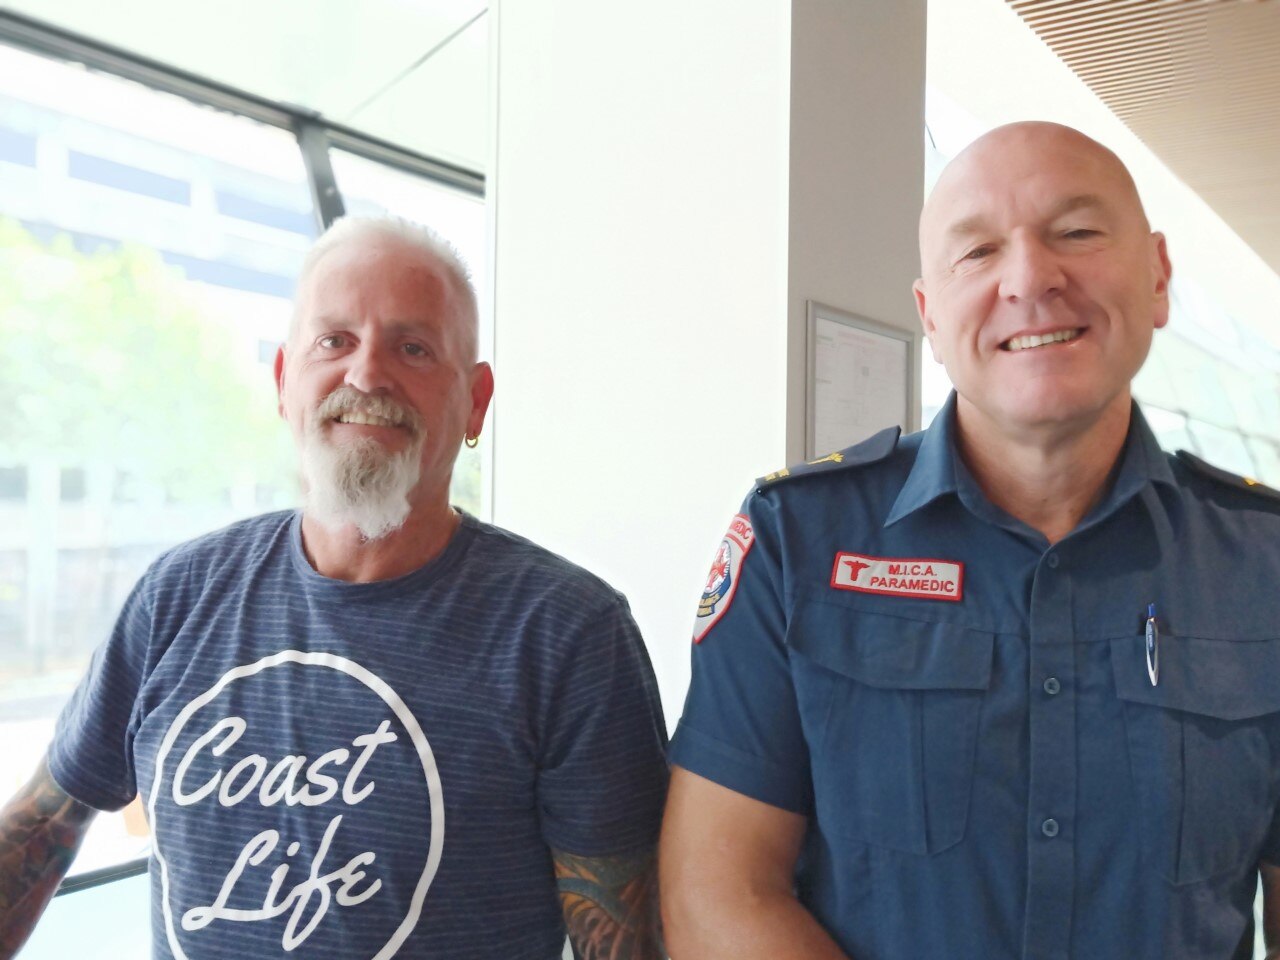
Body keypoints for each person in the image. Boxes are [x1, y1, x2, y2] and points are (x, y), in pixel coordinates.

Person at [659, 121, 1280, 959]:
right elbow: (717, 892)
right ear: (931, 316)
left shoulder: (1265, 563)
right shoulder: (796, 541)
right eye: (978, 253)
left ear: (1159, 276)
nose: (1029, 278)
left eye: (1078, 232)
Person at [0, 216, 668, 959]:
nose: (367, 375)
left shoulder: (569, 634)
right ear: (286, 382)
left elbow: (628, 940)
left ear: (475, 401)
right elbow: (40, 826)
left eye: (412, 348)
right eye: (335, 341)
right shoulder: (176, 599)